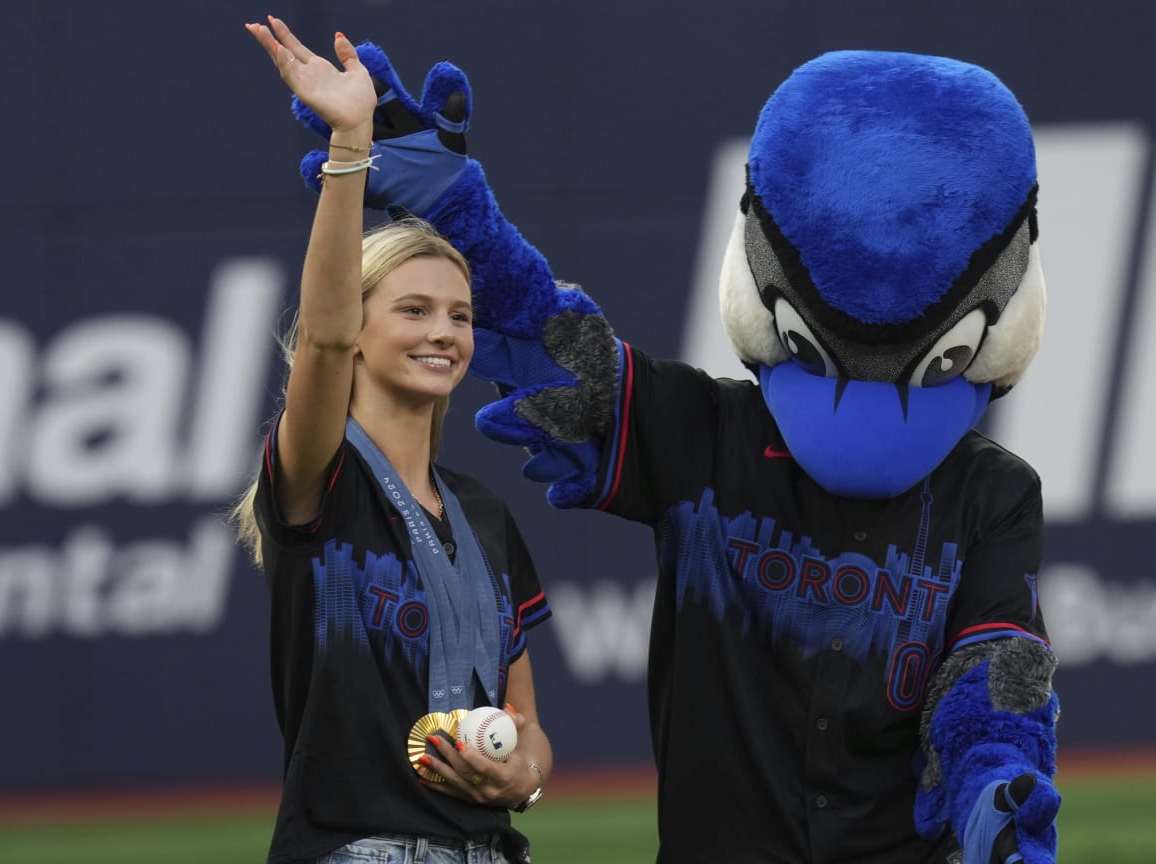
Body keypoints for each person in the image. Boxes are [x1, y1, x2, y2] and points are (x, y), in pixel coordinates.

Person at [279, 45, 1063, 863]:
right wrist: (449, 202)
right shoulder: (704, 430)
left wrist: (995, 794)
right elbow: (552, 343)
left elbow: (993, 668)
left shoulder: (993, 492)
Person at [232, 18, 552, 864]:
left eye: (461, 315)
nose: (444, 331)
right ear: (361, 329)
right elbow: (325, 337)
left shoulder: (485, 516)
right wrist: (350, 143)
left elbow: (529, 731)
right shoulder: (320, 479)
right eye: (412, 310)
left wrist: (522, 778)